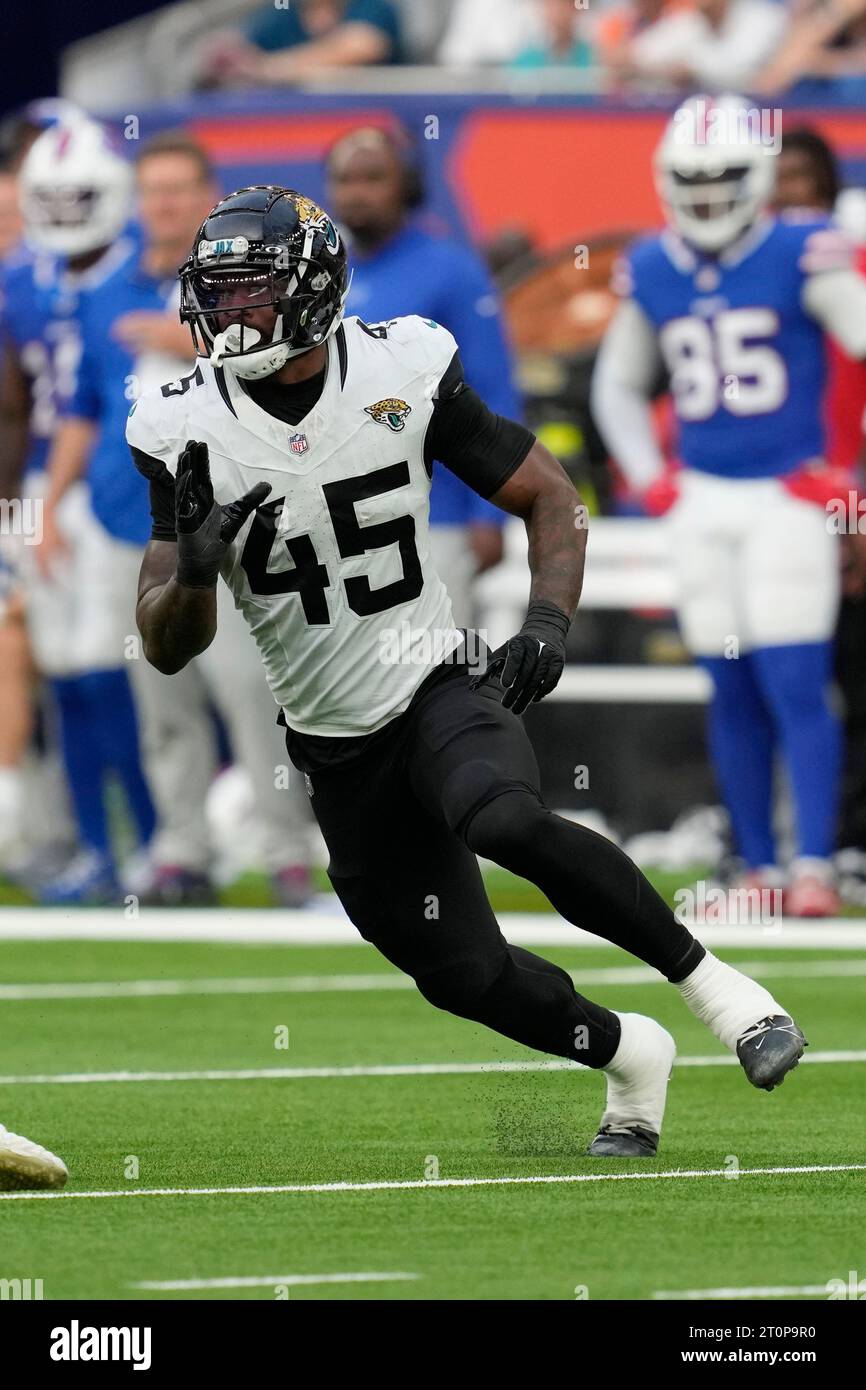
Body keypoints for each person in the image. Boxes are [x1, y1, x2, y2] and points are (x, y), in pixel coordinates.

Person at [128, 184, 806, 1158]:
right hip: (329, 738)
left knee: (503, 817)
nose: (226, 316)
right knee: (458, 972)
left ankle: (727, 999)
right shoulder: (174, 423)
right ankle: (630, 1054)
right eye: (217, 293)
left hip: (432, 676)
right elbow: (163, 640)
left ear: (312, 292)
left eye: (250, 294)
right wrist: (194, 567)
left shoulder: (399, 363)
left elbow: (547, 494)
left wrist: (545, 620)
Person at [591, 93, 866, 916]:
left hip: (785, 494)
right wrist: (650, 473)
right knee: (730, 680)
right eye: (692, 178)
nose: (707, 193)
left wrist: (847, 470)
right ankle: (758, 871)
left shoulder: (803, 250)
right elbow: (618, 384)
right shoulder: (654, 265)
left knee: (795, 679)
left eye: (721, 176)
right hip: (704, 497)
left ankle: (812, 863)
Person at [40, 134, 314, 907]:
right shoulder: (107, 287)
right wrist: (55, 503)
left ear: (208, 196)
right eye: (151, 190)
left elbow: (291, 364)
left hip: (224, 524)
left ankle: (285, 850)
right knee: (164, 700)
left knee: (250, 695)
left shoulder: (245, 277)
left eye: (178, 190)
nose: (164, 205)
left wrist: (186, 336)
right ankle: (180, 848)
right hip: (129, 522)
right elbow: (83, 410)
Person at [4, 115, 155, 903]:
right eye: (50, 198)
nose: (64, 212)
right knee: (62, 667)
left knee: (110, 664)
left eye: (79, 197)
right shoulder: (19, 279)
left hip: (107, 487)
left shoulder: (139, 273)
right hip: (33, 488)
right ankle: (96, 847)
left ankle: (148, 841)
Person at [326, 125, 514, 625]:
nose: (357, 192)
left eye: (373, 177)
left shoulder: (453, 271)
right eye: (345, 179)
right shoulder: (321, 273)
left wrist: (489, 511)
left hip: (437, 512)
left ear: (406, 185)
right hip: (334, 515)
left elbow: (494, 390)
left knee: (440, 675)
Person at [772, 127, 866, 904]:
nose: (789, 192)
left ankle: (845, 842)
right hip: (783, 499)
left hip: (843, 491)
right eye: (780, 179)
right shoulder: (752, 274)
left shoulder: (846, 269)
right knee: (782, 670)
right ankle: (791, 845)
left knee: (852, 673)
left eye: (804, 177)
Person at [201, 0, 402, 87]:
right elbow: (245, 50)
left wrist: (274, 68)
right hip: (298, 128)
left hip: (368, 121)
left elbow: (363, 46)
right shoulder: (285, 11)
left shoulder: (372, 6)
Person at [511, 0, 595, 69]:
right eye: (552, 5)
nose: (558, 12)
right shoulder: (526, 58)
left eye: (564, 5)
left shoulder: (593, 56)